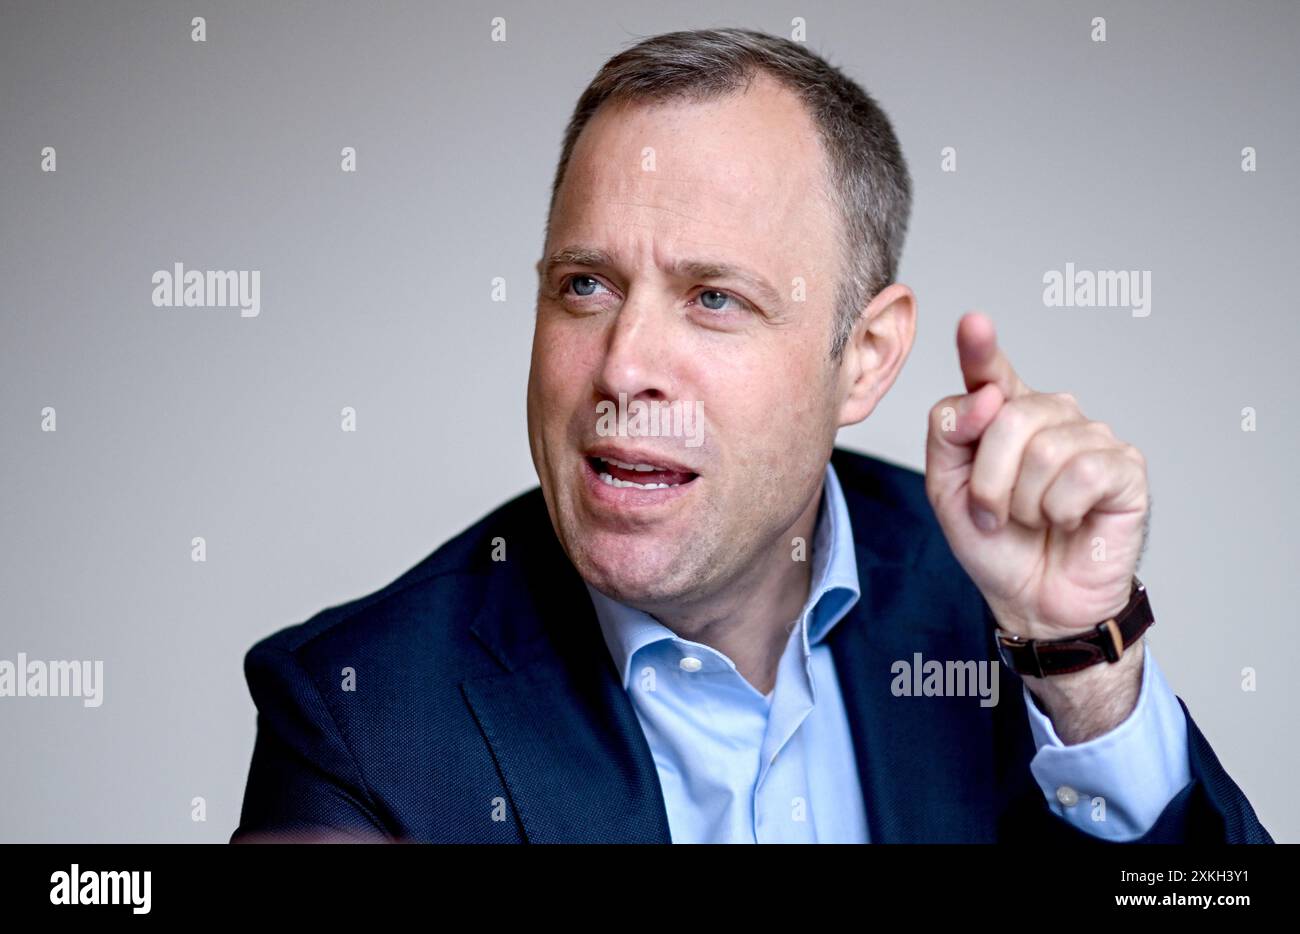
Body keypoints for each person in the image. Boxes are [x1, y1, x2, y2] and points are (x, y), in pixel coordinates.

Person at [231, 27, 1270, 844]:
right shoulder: (361, 714)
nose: (623, 362)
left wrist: (1082, 679)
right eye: (584, 285)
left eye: (715, 298)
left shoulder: (989, 607)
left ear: (862, 357)